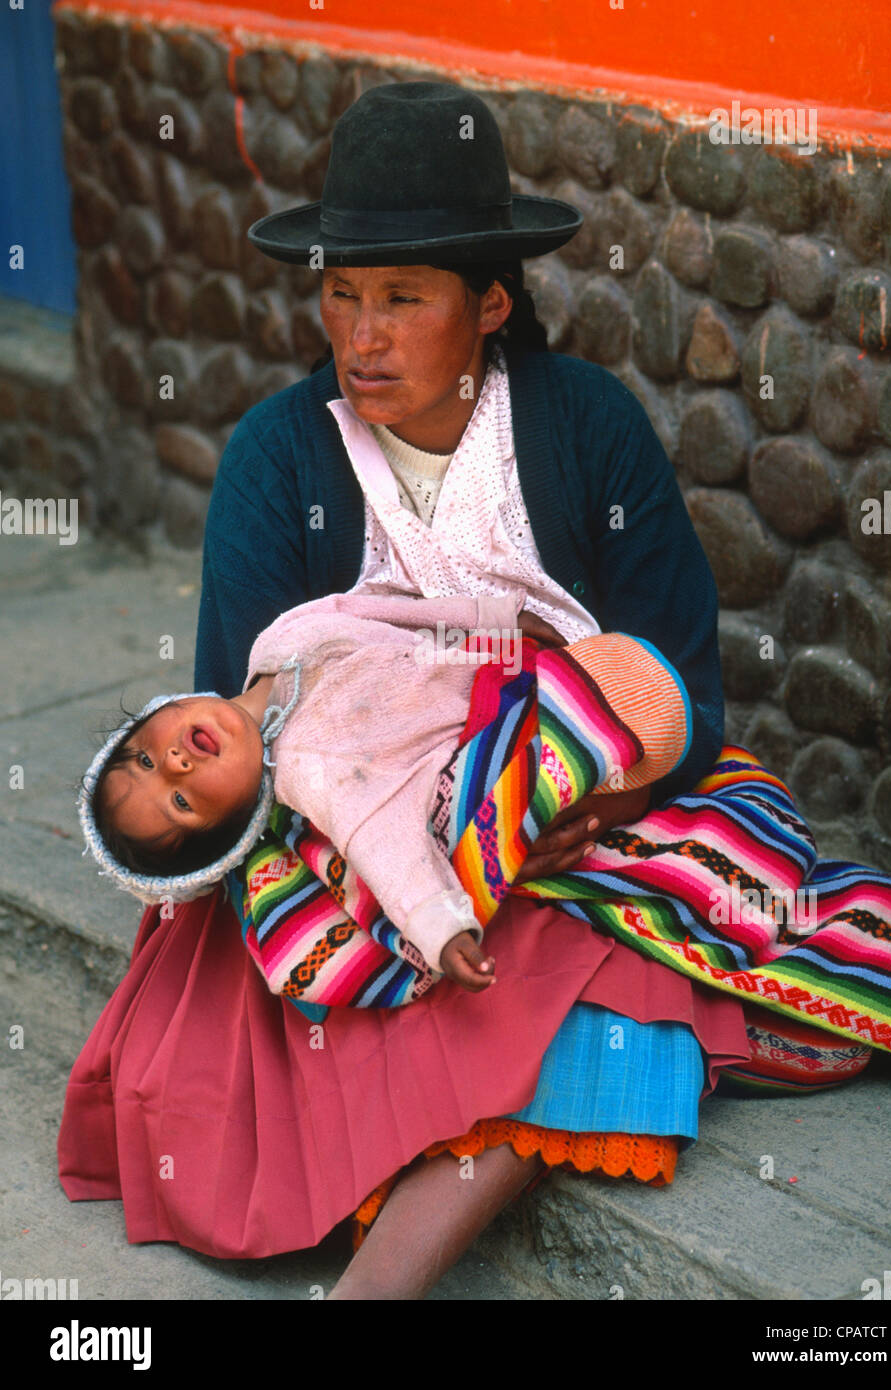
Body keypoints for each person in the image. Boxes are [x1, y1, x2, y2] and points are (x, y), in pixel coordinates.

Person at [59, 79, 752, 1298]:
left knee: (608, 968)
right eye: (339, 297)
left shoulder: (586, 428)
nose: (360, 335)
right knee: (313, 988)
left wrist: (554, 798)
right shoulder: (281, 458)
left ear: (489, 302)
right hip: (352, 831)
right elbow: (245, 716)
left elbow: (676, 673)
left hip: (575, 806)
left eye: (399, 299)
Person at [77, 586, 693, 993]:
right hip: (500, 730)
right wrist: (443, 931)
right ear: (239, 824)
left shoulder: (277, 641)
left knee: (603, 676)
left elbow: (375, 608)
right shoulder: (310, 768)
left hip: (502, 664)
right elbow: (385, 844)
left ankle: (622, 716)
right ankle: (623, 736)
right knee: (571, 746)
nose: (176, 762)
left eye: (144, 756)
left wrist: (494, 618)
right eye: (180, 801)